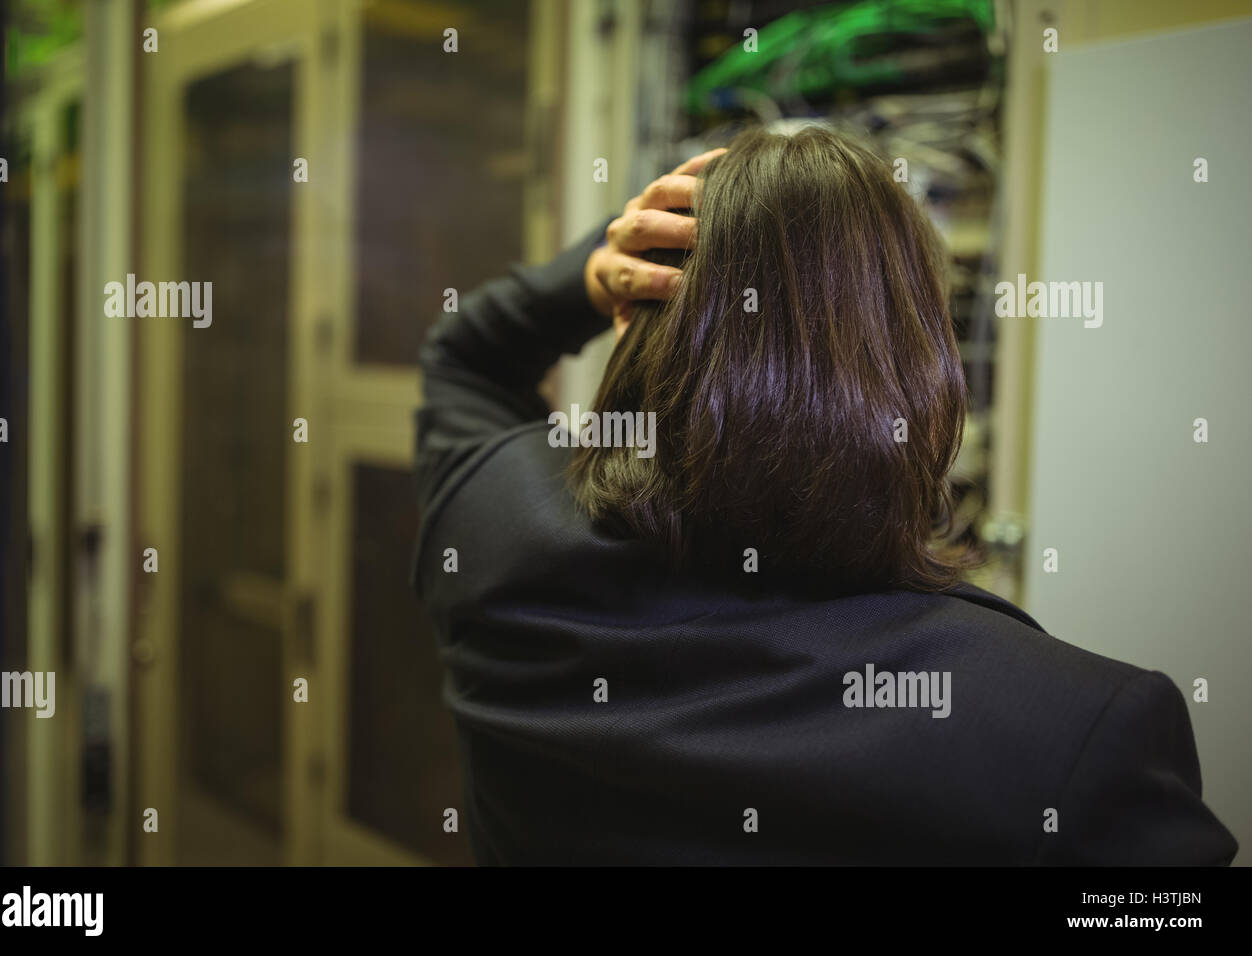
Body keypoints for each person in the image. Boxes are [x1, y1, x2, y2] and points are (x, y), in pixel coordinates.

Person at [411, 126, 1237, 865]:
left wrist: (605, 257)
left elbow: (464, 358)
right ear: (919, 369)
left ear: (638, 324)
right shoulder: (1068, 734)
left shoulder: (492, 538)